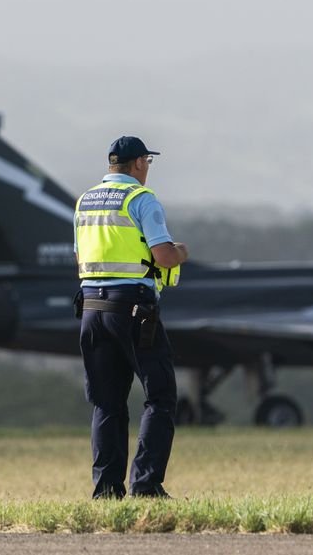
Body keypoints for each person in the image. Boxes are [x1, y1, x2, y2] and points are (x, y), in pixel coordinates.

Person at [74, 135, 189, 499]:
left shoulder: (85, 202)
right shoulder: (141, 200)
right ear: (138, 163)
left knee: (107, 401)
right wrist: (181, 252)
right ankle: (146, 485)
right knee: (160, 396)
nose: (148, 170)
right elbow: (164, 256)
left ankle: (107, 490)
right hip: (134, 308)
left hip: (92, 307)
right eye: (148, 163)